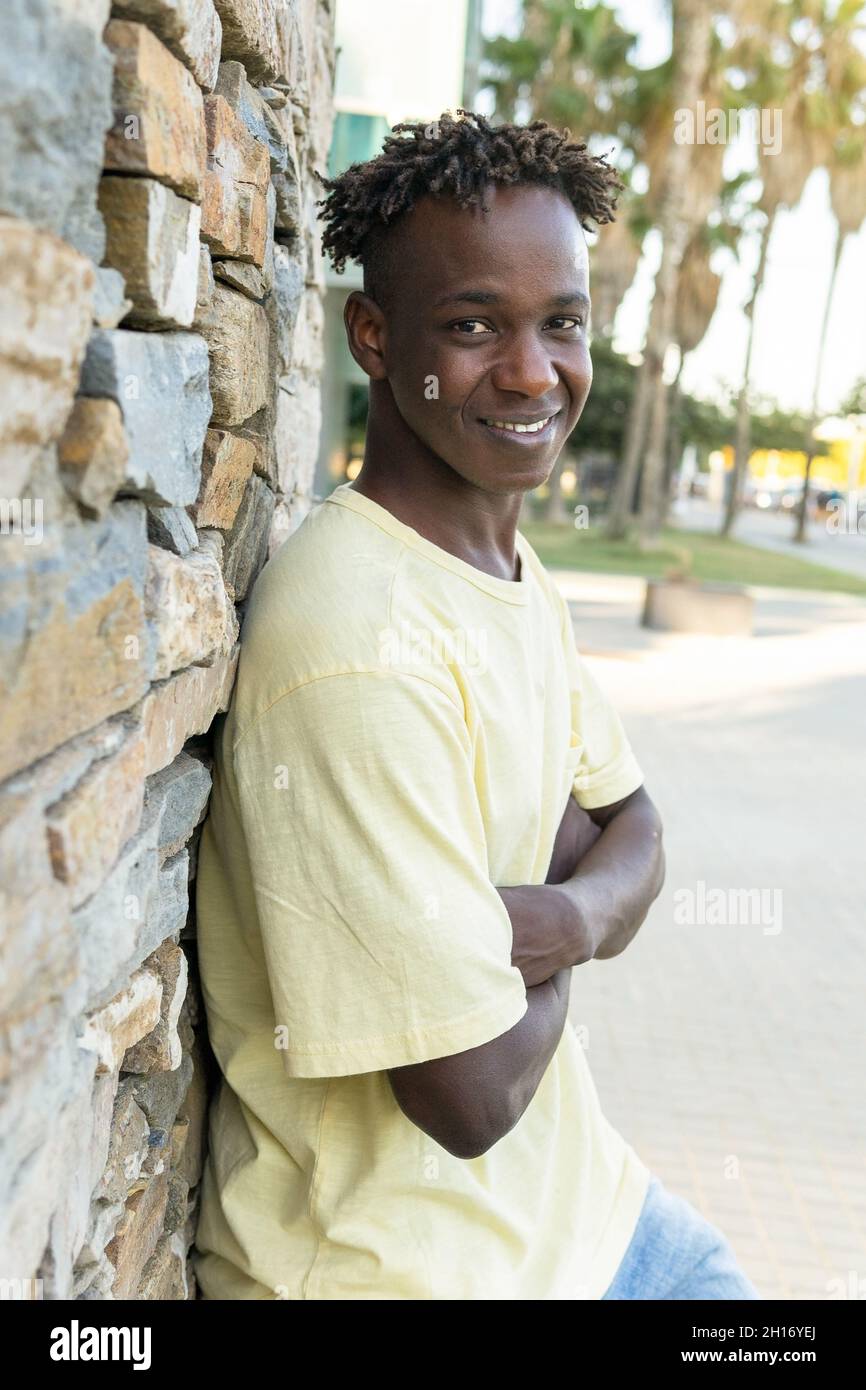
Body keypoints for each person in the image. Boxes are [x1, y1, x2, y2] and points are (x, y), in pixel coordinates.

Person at [192, 110, 760, 1301]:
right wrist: (588, 898)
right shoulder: (354, 645)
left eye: (561, 322)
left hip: (591, 1215)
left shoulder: (506, 574)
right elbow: (471, 1091)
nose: (531, 371)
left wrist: (557, 921)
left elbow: (638, 829)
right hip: (412, 1271)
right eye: (471, 325)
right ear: (372, 336)